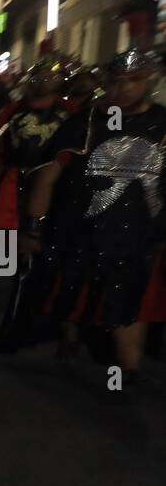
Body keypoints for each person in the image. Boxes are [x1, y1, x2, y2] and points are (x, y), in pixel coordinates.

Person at [25, 48, 166, 387]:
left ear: (148, 81)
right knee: (73, 292)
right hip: (84, 227)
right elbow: (47, 177)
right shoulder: (85, 122)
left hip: (143, 233)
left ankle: (127, 370)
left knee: (133, 301)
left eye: (133, 81)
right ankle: (72, 336)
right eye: (117, 82)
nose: (124, 89)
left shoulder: (163, 123)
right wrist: (33, 227)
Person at [0, 59, 76, 353]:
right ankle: (17, 326)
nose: (42, 80)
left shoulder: (72, 113)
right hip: (17, 185)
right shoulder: (12, 112)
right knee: (25, 260)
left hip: (60, 191)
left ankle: (63, 331)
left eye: (49, 75)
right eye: (38, 74)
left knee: (60, 261)